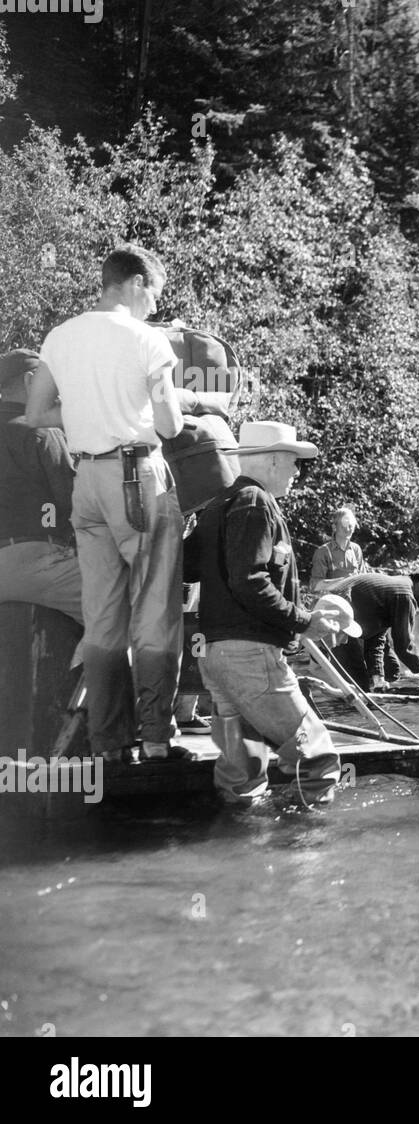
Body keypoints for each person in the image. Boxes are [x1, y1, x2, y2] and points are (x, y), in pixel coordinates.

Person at [27, 245, 189, 763]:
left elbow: (37, 414)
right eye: (155, 294)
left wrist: (83, 417)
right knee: (156, 609)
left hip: (87, 480)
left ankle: (109, 744)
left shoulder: (59, 336)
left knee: (102, 618)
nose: (156, 307)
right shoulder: (148, 339)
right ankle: (159, 739)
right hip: (136, 476)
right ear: (136, 282)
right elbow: (169, 426)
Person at [185, 420, 343, 806]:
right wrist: (305, 621)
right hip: (250, 657)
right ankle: (309, 855)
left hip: (213, 655)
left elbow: (186, 569)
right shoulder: (255, 502)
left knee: (243, 773)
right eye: (294, 462)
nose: (297, 473)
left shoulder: (217, 505)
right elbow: (249, 581)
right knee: (317, 757)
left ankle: (243, 849)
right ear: (273, 460)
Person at [0, 349, 82, 623]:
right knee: (127, 609)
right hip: (36, 564)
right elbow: (74, 504)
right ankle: (82, 668)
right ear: (30, 381)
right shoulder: (42, 431)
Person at [336, 568, 419, 691]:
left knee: (391, 669)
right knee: (360, 686)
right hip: (335, 614)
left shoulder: (398, 590)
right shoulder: (405, 595)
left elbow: (376, 638)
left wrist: (378, 679)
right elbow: (403, 646)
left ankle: (376, 692)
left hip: (346, 615)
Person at [309, 506, 367, 591]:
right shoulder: (323, 552)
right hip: (333, 601)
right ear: (334, 527)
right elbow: (315, 586)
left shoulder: (356, 549)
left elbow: (364, 578)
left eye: (351, 525)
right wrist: (344, 582)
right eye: (344, 524)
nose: (348, 528)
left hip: (356, 601)